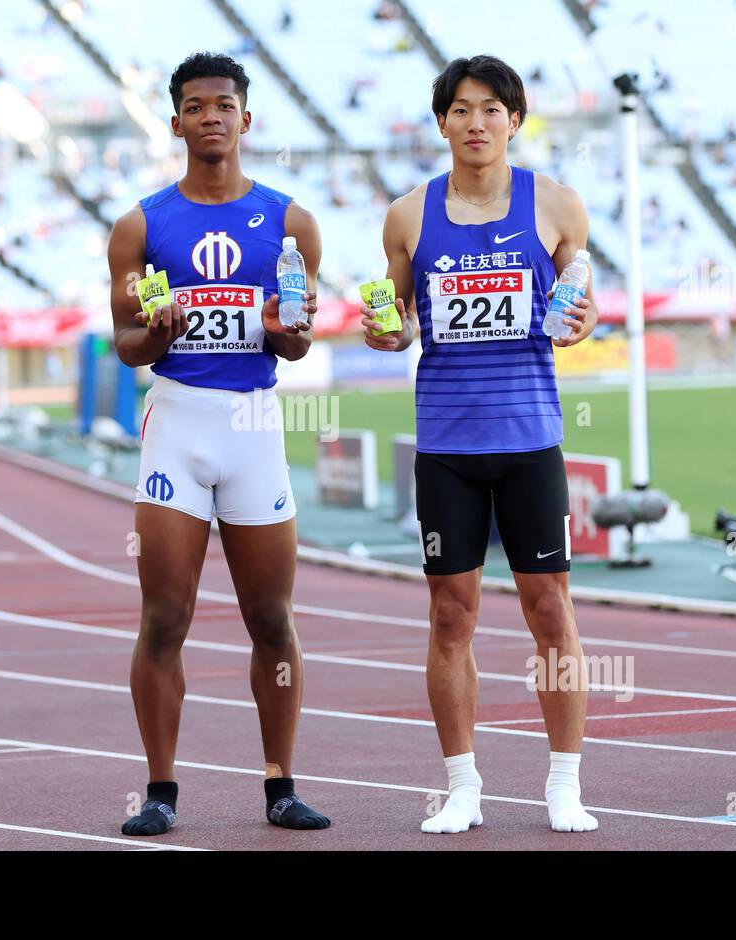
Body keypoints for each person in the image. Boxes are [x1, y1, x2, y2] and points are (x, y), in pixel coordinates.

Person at [362, 55, 600, 835]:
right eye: (461, 110)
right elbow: (394, 326)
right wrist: (384, 332)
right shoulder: (407, 216)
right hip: (448, 446)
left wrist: (586, 319)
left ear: (514, 119)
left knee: (549, 611)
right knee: (449, 617)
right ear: (440, 123)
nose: (476, 124)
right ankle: (463, 784)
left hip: (531, 439)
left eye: (491, 110)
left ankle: (564, 782)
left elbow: (581, 304)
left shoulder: (558, 205)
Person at [108, 51, 329, 836]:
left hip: (253, 427)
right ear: (175, 122)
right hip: (177, 421)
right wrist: (155, 328)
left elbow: (298, 343)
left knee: (271, 618)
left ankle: (281, 785)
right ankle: (161, 791)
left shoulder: (291, 222)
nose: (211, 117)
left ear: (246, 118)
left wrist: (285, 333)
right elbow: (127, 346)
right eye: (195, 106)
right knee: (165, 616)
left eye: (224, 105)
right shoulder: (140, 223)